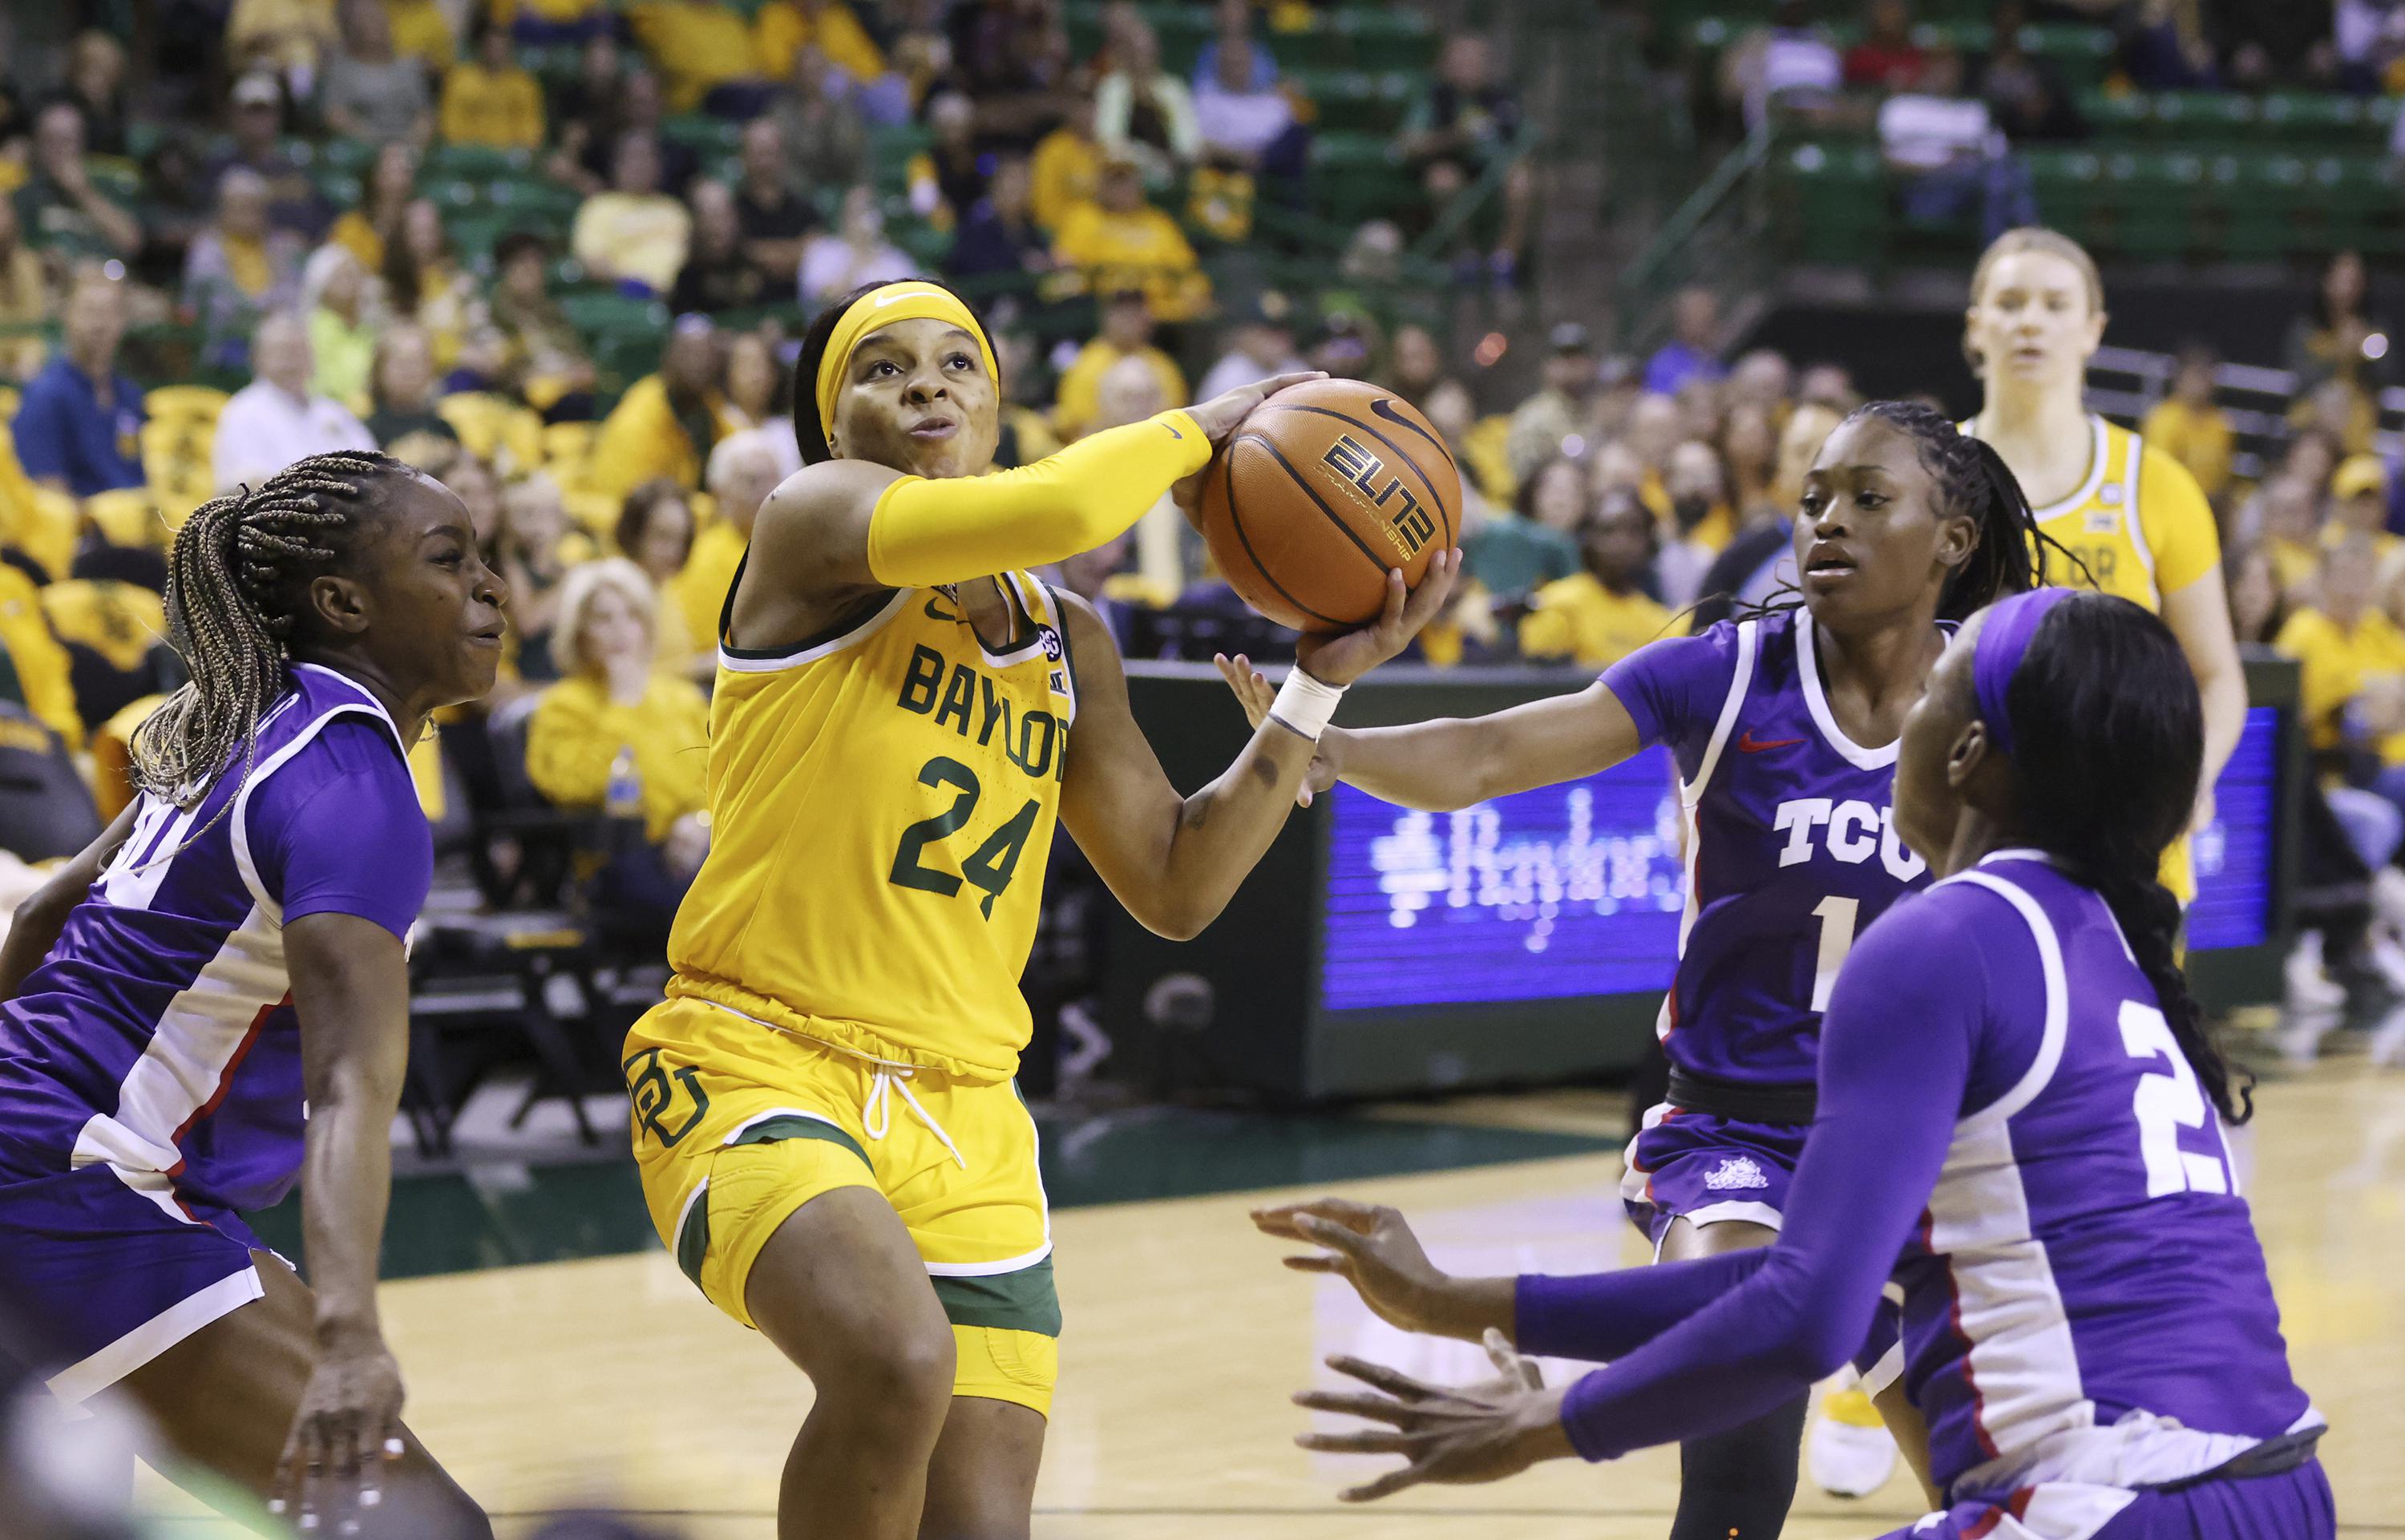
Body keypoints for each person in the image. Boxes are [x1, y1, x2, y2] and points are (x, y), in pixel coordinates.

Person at [618, 277, 1452, 1540]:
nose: (926, 386)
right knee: (896, 1362)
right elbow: (1065, 503)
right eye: (883, 367)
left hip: (968, 1113)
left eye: (958, 364)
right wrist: (1217, 417)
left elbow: (1176, 883)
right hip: (760, 1054)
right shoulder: (816, 522)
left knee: (982, 1520)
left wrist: (1312, 690)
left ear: (997, 404)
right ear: (833, 420)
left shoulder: (1071, 636)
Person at [1259, 592, 2330, 1540]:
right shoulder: (2115, 939)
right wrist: (1457, 1301)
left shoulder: (1937, 942)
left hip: (2107, 1501)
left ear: (1966, 756)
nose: (1899, 720)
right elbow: (1806, 1282)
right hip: (2282, 1486)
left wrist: (1545, 1424)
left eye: (1931, 701)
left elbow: (1804, 1317)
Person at [1221, 401, 2056, 1540]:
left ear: (1954, 538)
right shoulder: (1726, 672)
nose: (1828, 523)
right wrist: (1331, 751)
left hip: (1922, 1150)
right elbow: (1489, 753)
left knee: (1993, 1494)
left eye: (1870, 500)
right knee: (1742, 1441)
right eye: (1813, 499)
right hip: (1739, 1135)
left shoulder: (1997, 693)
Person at [0, 450, 503, 1534]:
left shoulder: (234, 723)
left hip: (44, 1153)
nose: (492, 587)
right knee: (418, 1526)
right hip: (83, 1184)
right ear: (343, 601)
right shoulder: (351, 787)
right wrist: (351, 1336)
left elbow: (41, 919)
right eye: (451, 560)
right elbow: (351, 1089)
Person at [1958, 227, 2245, 908]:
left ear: (2093, 330)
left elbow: (2216, 674)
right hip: (1968, 843)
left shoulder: (2158, 484)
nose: (2031, 320)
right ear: (1976, 328)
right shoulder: (1931, 477)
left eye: (2056, 305)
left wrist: (2191, 779)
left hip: (2128, 852)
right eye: (2010, 302)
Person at [526, 557, 710, 940]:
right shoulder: (563, 705)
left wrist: (701, 823)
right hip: (614, 861)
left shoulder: (682, 699)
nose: (620, 631)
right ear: (579, 631)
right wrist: (622, 706)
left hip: (701, 847)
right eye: (603, 619)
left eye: (631, 616)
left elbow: (723, 779)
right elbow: (578, 787)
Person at [10, 276, 145, 501]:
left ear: (123, 321)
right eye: (90, 312)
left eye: (110, 313)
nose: (100, 324)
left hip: (137, 525)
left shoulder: (130, 396)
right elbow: (47, 492)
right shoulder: (45, 396)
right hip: (83, 529)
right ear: (67, 315)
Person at [212, 311, 378, 490]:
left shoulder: (332, 411)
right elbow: (251, 484)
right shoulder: (243, 412)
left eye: (298, 350)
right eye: (281, 352)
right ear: (257, 359)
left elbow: (374, 467)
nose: (291, 360)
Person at [1518, 488, 1673, 671]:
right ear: (1588, 539)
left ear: (1649, 542)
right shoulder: (1559, 601)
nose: (1621, 543)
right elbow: (1537, 674)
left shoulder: (1660, 622)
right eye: (1608, 531)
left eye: (1634, 531)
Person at [1049, 156, 1210, 324]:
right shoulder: (1084, 217)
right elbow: (1066, 263)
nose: (1123, 188)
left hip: (1159, 310)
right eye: (1115, 181)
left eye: (1128, 181)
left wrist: (1193, 296)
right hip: (1107, 306)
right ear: (1102, 185)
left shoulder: (1158, 221)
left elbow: (1185, 269)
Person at [183, 169, 305, 374]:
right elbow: (215, 302)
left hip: (277, 336)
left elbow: (295, 294)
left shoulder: (282, 247)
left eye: (255, 208)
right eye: (239, 208)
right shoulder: (207, 248)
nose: (249, 215)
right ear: (222, 210)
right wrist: (263, 313)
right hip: (226, 341)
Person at [592, 318, 725, 499]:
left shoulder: (710, 405)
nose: (700, 363)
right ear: (667, 359)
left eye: (707, 354)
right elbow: (634, 507)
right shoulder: (638, 421)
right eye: (690, 354)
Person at [13, 101, 139, 265]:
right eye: (49, 140)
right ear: (36, 145)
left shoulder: (107, 185)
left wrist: (82, 192)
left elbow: (131, 242)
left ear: (82, 143)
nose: (58, 149)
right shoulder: (25, 195)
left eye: (66, 140)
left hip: (107, 278)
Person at [572, 135, 692, 299]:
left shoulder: (675, 209)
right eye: (633, 158)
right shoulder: (599, 207)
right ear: (617, 165)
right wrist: (633, 285)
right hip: (625, 298)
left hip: (679, 298)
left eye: (647, 157)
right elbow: (593, 262)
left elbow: (691, 257)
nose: (641, 165)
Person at [320, 0, 433, 147]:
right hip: (363, 146)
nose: (373, 28)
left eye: (377, 20)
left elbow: (425, 115)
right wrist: (374, 142)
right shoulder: (343, 68)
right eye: (366, 21)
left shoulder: (408, 66)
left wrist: (411, 144)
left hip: (407, 145)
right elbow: (334, 114)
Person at [1505, 324, 1602, 484]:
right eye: (1564, 358)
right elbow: (1524, 477)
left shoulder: (1603, 410)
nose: (1572, 365)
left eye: (1578, 357)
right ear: (1548, 366)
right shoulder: (1533, 416)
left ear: (1591, 364)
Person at [2140, 345, 2234, 505]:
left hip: (2210, 504)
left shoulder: (2220, 422)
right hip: (2172, 502)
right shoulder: (2164, 419)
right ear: (2180, 376)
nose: (2203, 383)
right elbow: (2159, 475)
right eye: (2197, 375)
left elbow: (2224, 479)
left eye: (2208, 375)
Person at [734, 118, 819, 293]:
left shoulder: (804, 208)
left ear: (783, 157)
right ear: (744, 158)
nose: (764, 163)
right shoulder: (733, 209)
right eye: (757, 154)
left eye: (769, 153)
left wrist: (759, 253)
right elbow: (732, 252)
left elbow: (816, 254)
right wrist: (793, 252)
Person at [799, 185, 920, 306]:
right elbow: (828, 300)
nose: (866, 219)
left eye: (870, 210)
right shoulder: (823, 251)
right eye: (859, 212)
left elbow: (909, 302)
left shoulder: (895, 258)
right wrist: (860, 252)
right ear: (845, 217)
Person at [439, 18, 546, 150]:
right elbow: (450, 124)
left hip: (508, 156)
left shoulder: (524, 84)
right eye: (491, 46)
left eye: (501, 47)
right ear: (481, 47)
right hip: (467, 154)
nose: (496, 52)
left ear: (510, 49)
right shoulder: (460, 79)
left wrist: (520, 148)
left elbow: (531, 129)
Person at [671, 181, 770, 315]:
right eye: (709, 216)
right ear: (696, 223)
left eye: (724, 215)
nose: (717, 226)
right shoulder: (687, 279)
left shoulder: (757, 267)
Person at [1195, 291, 1307, 402]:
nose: (1280, 339)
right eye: (1269, 331)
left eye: (1286, 329)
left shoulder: (1294, 367)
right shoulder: (1229, 378)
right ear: (1246, 335)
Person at [364, 325, 456, 449]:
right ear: (379, 369)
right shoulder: (365, 430)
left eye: (416, 362)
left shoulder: (441, 428)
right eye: (400, 362)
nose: (408, 370)